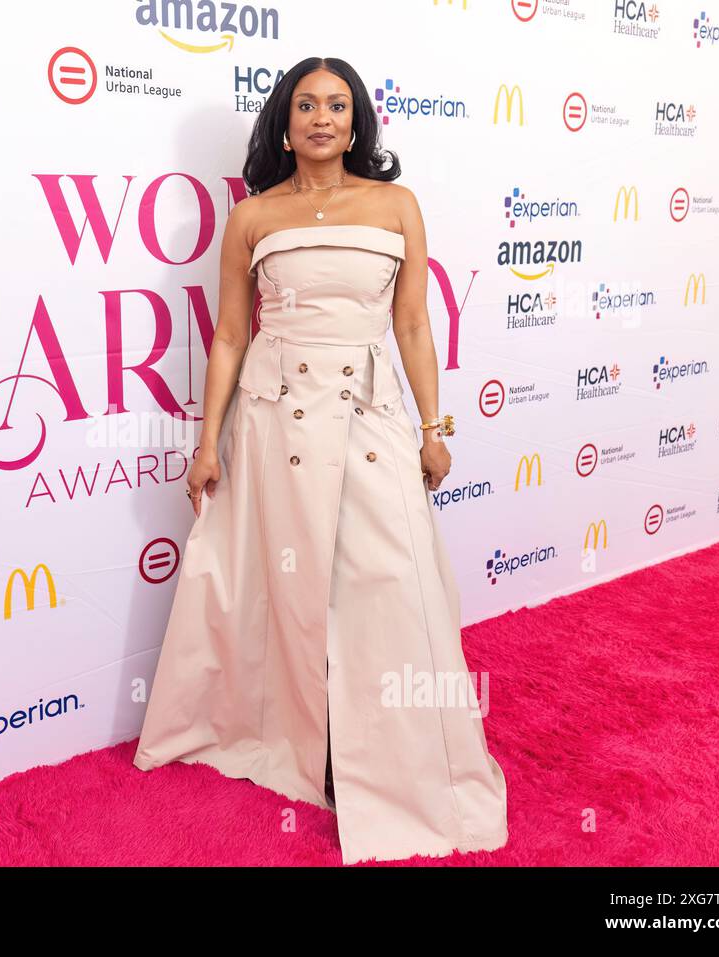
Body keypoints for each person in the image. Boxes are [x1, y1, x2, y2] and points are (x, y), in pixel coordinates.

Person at [133, 57, 509, 864]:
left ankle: (395, 752)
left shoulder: (395, 204)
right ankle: (309, 742)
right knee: (284, 584)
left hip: (369, 411)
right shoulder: (253, 217)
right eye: (305, 104)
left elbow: (413, 328)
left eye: (337, 105)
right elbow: (231, 334)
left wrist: (433, 428)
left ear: (357, 119)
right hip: (273, 420)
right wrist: (206, 445)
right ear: (284, 119)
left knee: (386, 581)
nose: (322, 118)